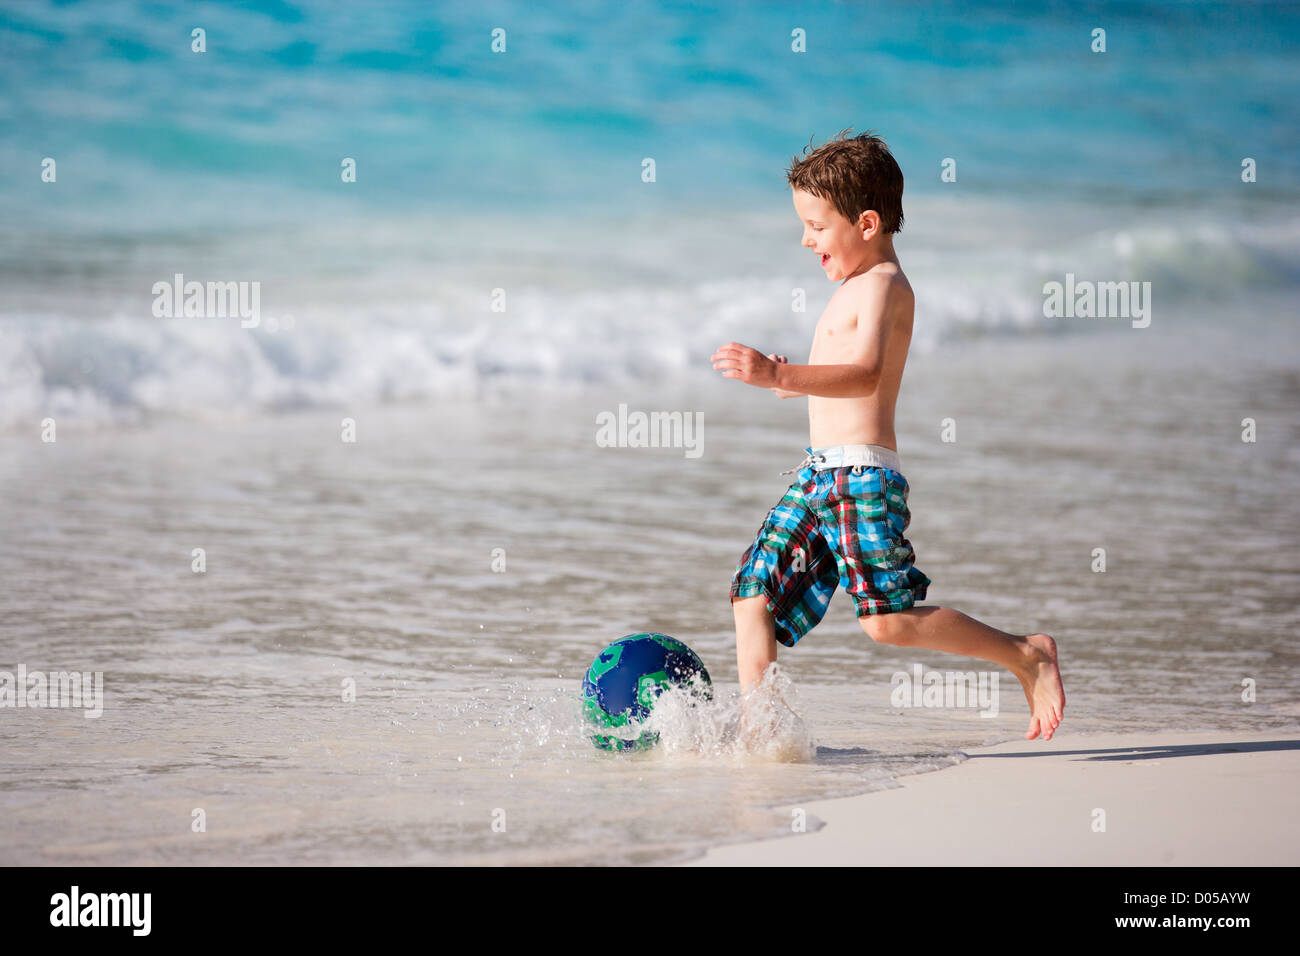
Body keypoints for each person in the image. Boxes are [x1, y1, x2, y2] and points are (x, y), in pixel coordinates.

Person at [711, 130, 1065, 741]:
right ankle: (759, 731)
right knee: (753, 592)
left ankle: (1026, 653)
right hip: (818, 474)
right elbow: (839, 376)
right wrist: (789, 383)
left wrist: (778, 372)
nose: (806, 239)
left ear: (867, 222)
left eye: (817, 226)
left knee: (887, 621)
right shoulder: (853, 287)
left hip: (861, 476)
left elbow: (868, 374)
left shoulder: (886, 288)